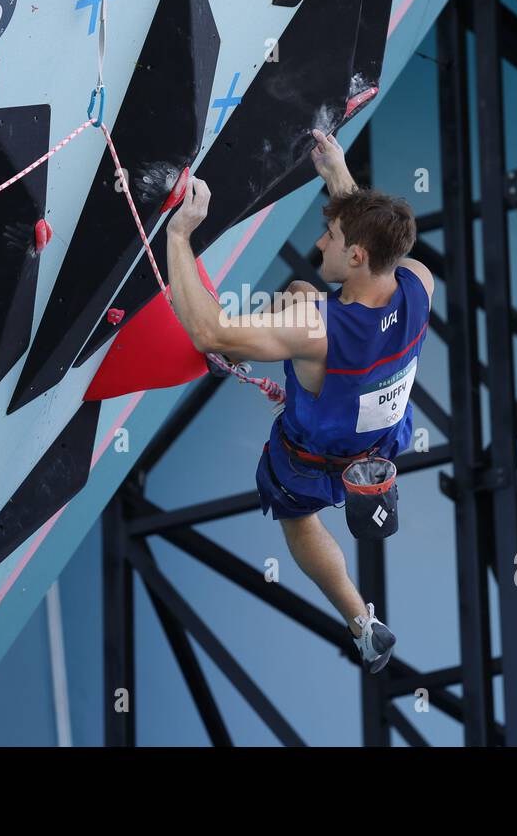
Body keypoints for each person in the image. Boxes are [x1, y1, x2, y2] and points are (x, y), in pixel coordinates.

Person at [165, 129, 434, 673]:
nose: (320, 244)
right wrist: (336, 173)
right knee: (301, 291)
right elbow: (369, 246)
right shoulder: (417, 284)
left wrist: (179, 235)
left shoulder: (313, 331)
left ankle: (361, 619)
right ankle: (363, 626)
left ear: (356, 254)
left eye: (329, 236)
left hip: (310, 457)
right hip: (378, 440)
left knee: (299, 520)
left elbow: (209, 334)